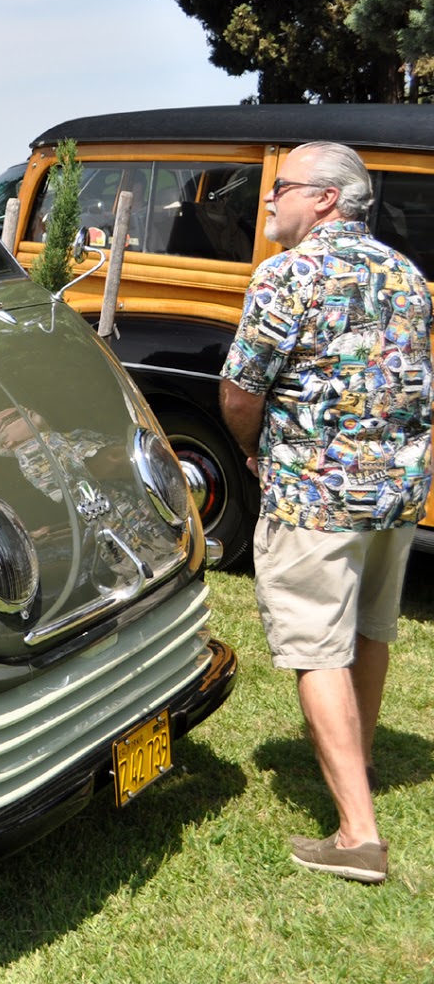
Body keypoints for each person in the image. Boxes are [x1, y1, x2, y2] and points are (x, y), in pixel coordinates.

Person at [219, 141, 434, 885]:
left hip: (317, 493)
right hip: (396, 492)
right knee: (370, 628)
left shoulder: (287, 274)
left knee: (317, 646)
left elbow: (241, 392)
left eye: (283, 187)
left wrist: (252, 453)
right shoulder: (408, 273)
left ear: (327, 199)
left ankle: (357, 832)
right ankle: (359, 761)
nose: (271, 199)